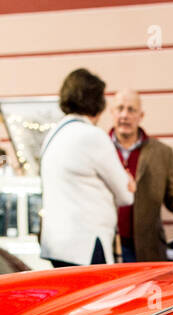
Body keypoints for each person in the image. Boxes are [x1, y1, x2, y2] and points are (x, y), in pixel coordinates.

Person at [39, 68, 134, 268]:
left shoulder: (53, 135)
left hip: (57, 246)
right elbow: (126, 194)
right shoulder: (92, 136)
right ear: (97, 103)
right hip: (86, 246)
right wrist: (128, 181)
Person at [109, 89, 173, 262]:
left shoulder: (161, 152)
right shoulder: (99, 147)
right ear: (112, 113)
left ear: (141, 115)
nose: (124, 115)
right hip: (109, 245)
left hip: (147, 248)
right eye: (120, 109)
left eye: (131, 110)